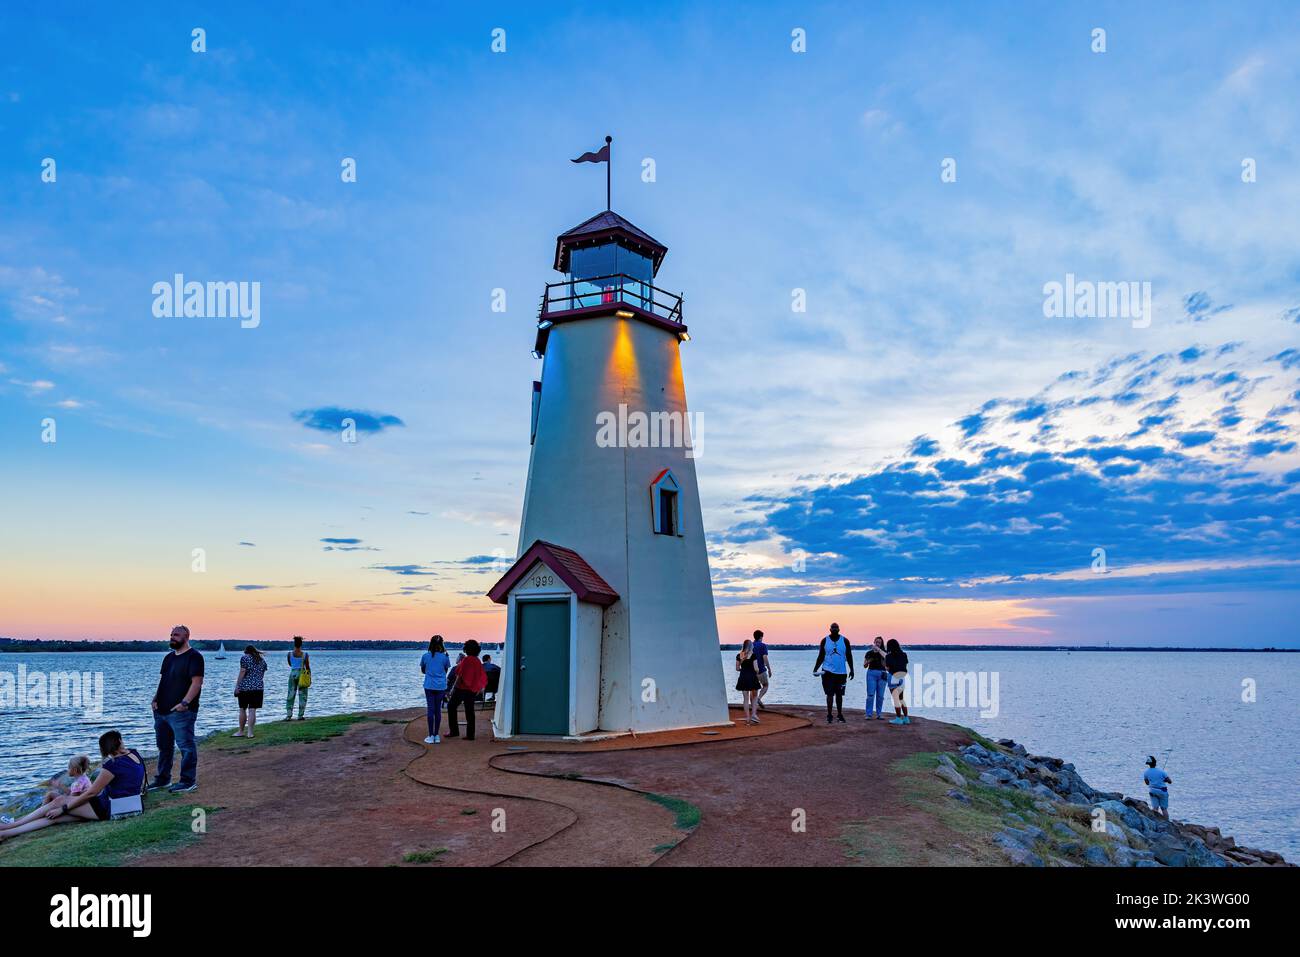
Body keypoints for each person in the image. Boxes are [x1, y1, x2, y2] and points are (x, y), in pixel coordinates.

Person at [0, 731, 145, 842]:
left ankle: (12, 825)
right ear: (119, 741)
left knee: (59, 802)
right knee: (55, 818)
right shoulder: (134, 753)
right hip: (130, 805)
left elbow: (91, 793)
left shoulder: (113, 765)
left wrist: (64, 807)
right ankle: (5, 834)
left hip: (111, 808)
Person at [148, 625, 204, 793]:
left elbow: (197, 683)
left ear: (186, 637)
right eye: (172, 634)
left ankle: (188, 781)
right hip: (161, 711)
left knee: (186, 746)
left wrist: (185, 703)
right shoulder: (168, 658)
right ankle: (163, 779)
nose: (172, 637)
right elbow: (164, 681)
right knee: (164, 747)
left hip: (182, 712)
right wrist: (155, 699)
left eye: (176, 635)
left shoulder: (194, 657)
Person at [812, 623, 854, 724]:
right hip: (827, 672)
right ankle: (829, 715)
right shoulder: (825, 640)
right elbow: (821, 656)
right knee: (829, 694)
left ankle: (839, 714)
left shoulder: (845, 640)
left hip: (841, 672)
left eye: (836, 628)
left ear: (839, 629)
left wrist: (852, 669)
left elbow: (849, 656)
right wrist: (815, 668)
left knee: (839, 695)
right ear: (830, 629)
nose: (834, 629)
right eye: (833, 628)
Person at [445, 641, 487, 741]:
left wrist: (452, 689)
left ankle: (454, 731)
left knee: (451, 706)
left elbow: (459, 675)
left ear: (467, 649)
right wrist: (479, 688)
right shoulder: (477, 660)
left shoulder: (466, 660)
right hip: (471, 690)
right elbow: (481, 676)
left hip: (461, 689)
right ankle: (470, 734)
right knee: (470, 711)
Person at [420, 635, 451, 744]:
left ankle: (430, 736)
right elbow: (446, 670)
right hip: (441, 686)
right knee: (438, 710)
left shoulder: (425, 656)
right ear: (442, 644)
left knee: (430, 709)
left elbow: (423, 670)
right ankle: (436, 735)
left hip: (429, 685)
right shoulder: (445, 657)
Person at [233, 645, 267, 738]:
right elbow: (261, 675)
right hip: (258, 688)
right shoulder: (262, 661)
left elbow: (243, 671)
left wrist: (237, 686)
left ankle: (241, 731)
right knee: (252, 710)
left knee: (242, 709)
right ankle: (250, 733)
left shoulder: (245, 658)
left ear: (246, 652)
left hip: (245, 688)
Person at [735, 638, 761, 724]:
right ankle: (754, 714)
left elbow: (737, 668)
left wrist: (744, 670)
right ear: (751, 646)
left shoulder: (739, 655)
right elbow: (756, 669)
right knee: (754, 696)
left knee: (745, 699)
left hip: (743, 677)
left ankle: (747, 718)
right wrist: (756, 671)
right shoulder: (753, 655)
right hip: (752, 677)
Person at [885, 638, 910, 725]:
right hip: (902, 677)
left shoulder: (888, 656)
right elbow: (905, 664)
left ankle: (898, 718)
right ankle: (906, 718)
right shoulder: (904, 654)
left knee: (896, 699)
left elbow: (887, 668)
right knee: (901, 698)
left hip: (893, 677)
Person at [285, 635, 311, 721]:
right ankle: (300, 715)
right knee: (303, 695)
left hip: (292, 674)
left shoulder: (289, 654)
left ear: (294, 644)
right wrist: (309, 677)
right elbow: (307, 667)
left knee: (290, 694)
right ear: (301, 644)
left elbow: (290, 664)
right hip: (302, 674)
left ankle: (289, 715)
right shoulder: (305, 654)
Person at [864, 636, 889, 720]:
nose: (878, 643)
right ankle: (868, 714)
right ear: (874, 642)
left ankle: (879, 714)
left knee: (880, 696)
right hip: (871, 673)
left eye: (879, 642)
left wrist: (879, 650)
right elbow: (865, 665)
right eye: (876, 642)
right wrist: (868, 662)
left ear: (881, 644)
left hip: (882, 674)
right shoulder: (869, 653)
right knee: (870, 695)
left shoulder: (884, 652)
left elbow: (887, 659)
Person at [1143, 755, 1172, 820]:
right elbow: (1170, 781)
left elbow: (1147, 783)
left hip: (1152, 791)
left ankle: (1155, 821)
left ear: (1148, 764)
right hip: (1162, 791)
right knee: (1164, 809)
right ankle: (1167, 823)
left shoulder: (1146, 772)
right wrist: (1164, 780)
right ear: (1155, 762)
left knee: (1155, 808)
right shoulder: (1162, 771)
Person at [752, 629, 773, 709]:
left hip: (752, 671)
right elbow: (765, 657)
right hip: (761, 669)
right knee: (765, 685)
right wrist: (769, 669)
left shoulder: (751, 645)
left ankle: (753, 706)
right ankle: (758, 698)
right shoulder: (762, 645)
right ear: (761, 637)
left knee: (754, 689)